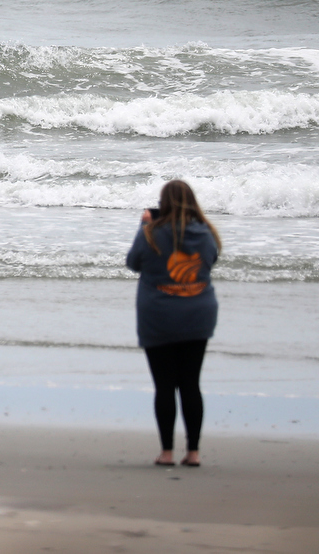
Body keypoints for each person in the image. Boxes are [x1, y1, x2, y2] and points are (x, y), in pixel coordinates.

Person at [126, 179, 221, 468]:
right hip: (198, 313)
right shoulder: (207, 234)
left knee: (164, 385)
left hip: (159, 315)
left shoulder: (151, 233)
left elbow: (133, 262)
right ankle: (193, 453)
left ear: (163, 203)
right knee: (191, 384)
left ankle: (166, 453)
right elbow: (211, 261)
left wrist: (143, 226)